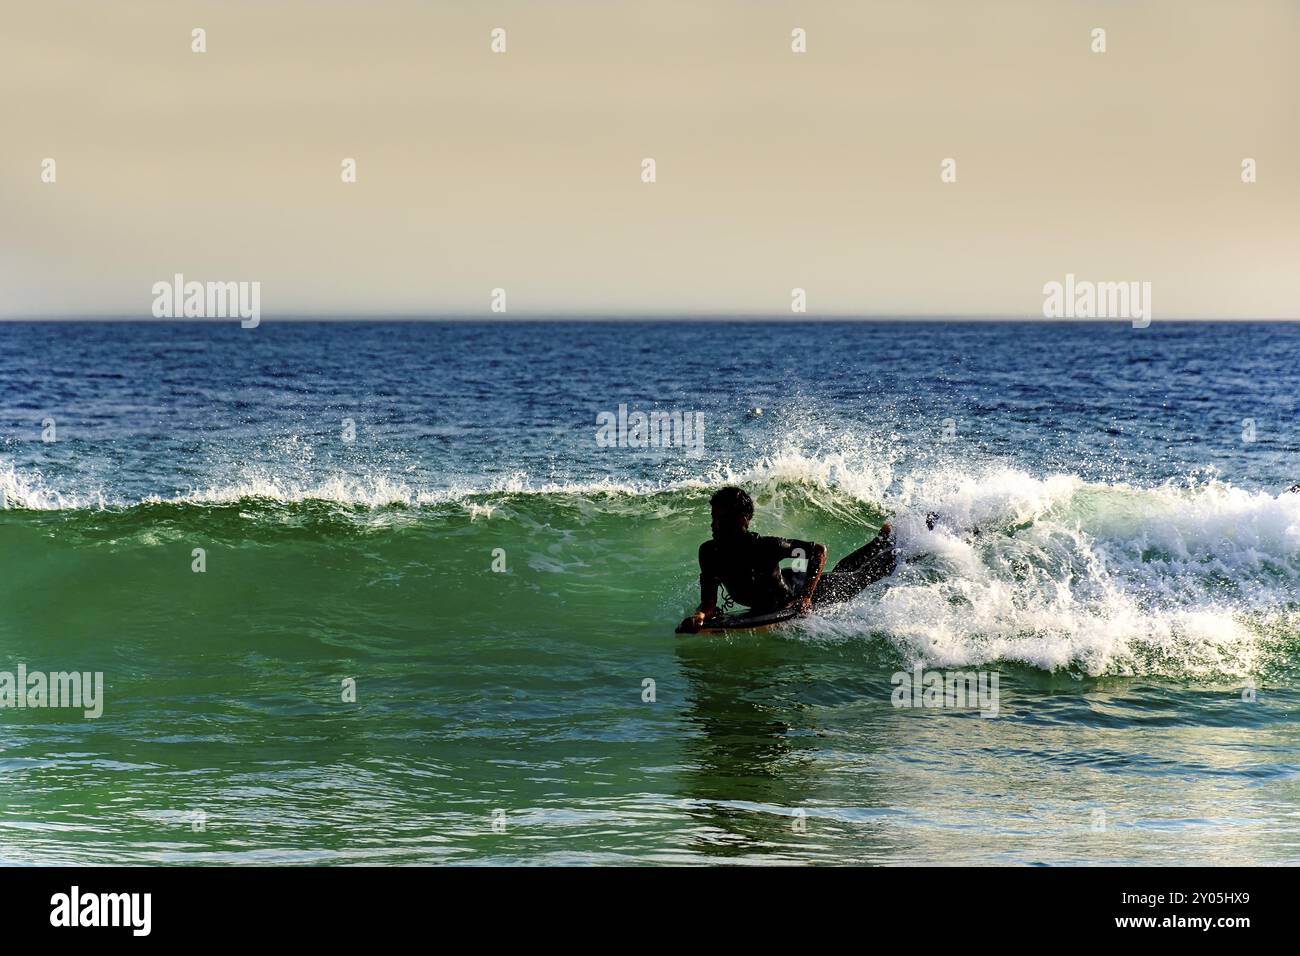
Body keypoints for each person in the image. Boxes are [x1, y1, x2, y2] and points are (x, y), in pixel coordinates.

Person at [678, 486, 897, 633]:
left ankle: (900, 552)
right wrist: (700, 616)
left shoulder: (766, 546)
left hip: (799, 589)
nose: (713, 525)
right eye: (713, 518)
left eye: (721, 519)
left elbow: (818, 551)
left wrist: (806, 597)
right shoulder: (709, 552)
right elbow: (709, 603)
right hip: (789, 579)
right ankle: (882, 540)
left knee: (858, 577)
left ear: (742, 521)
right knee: (842, 572)